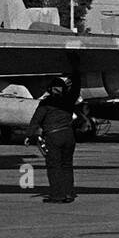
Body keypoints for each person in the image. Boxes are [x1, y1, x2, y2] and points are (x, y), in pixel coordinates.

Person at [26, 74, 80, 203]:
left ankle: (57, 195)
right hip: (69, 135)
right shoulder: (69, 99)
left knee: (54, 166)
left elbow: (36, 120)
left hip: (53, 136)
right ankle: (69, 194)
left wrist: (28, 135)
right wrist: (75, 71)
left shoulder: (46, 103)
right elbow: (76, 87)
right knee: (67, 165)